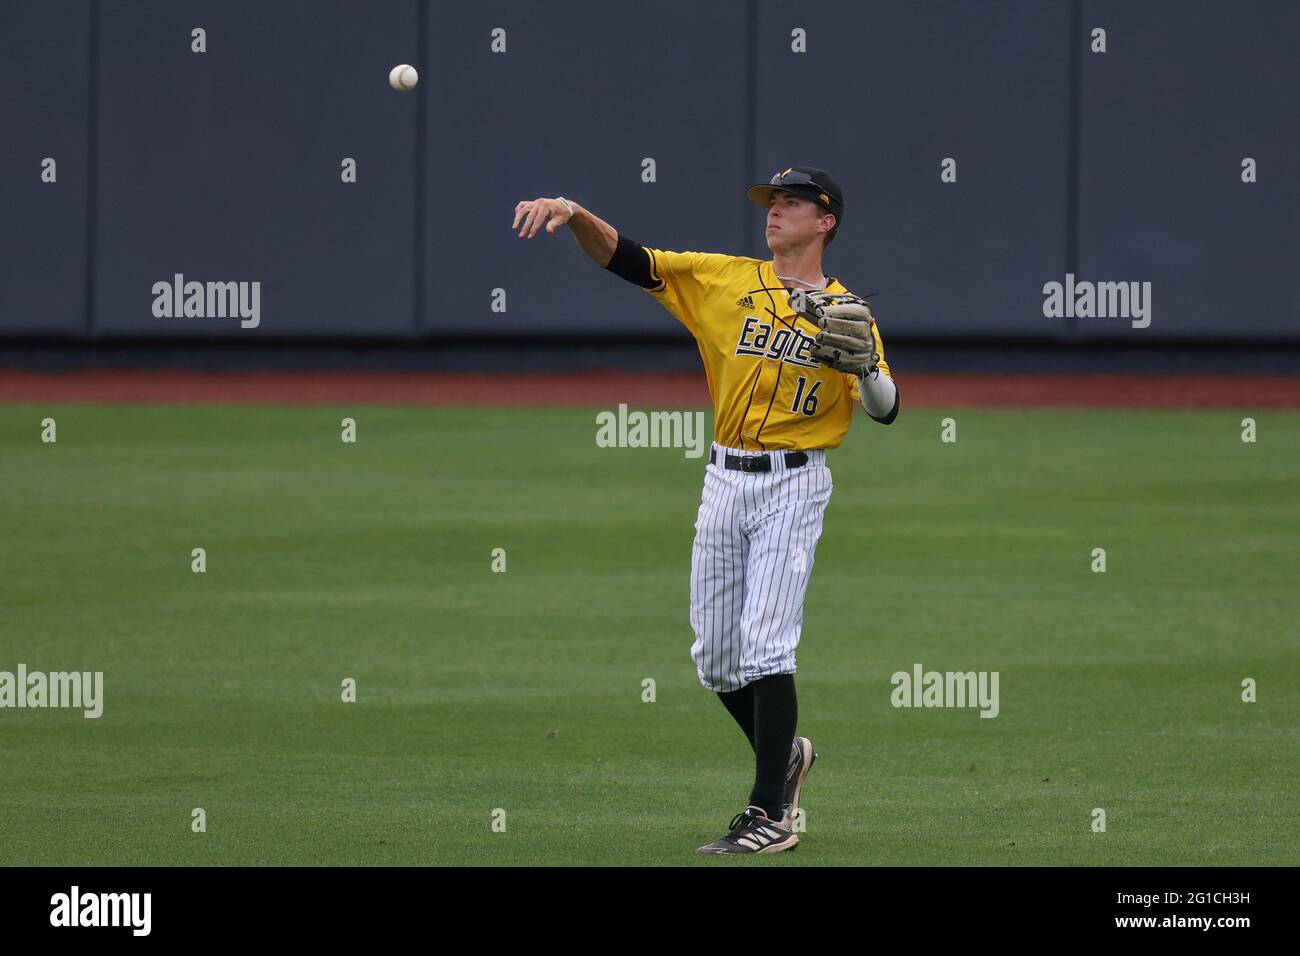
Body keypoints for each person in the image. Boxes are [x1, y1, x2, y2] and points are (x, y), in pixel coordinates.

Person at [512, 166, 899, 854]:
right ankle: (784, 755)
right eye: (771, 201)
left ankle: (769, 815)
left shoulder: (848, 311)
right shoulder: (723, 279)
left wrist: (866, 367)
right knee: (717, 662)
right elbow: (628, 257)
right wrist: (574, 211)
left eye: (791, 203)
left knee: (766, 645)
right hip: (723, 478)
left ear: (825, 220)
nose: (774, 212)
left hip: (794, 483)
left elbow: (887, 410)